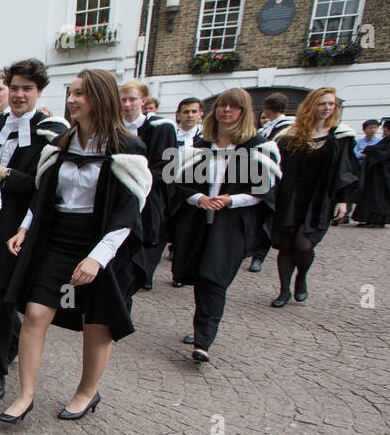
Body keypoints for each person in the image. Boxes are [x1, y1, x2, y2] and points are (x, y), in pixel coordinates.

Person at [0, 69, 149, 423]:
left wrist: (96, 259)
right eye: (71, 93)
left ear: (100, 98)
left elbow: (129, 214)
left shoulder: (127, 149)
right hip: (56, 238)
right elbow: (44, 196)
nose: (71, 99)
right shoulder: (62, 144)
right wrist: (24, 229)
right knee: (36, 313)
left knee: (96, 322)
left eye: (80, 93)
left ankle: (86, 391)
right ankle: (25, 395)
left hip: (102, 242)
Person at [0, 58, 68, 404]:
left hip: (19, 223)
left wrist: (3, 174)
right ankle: (4, 348)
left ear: (39, 92)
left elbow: (43, 186)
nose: (18, 95)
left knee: (4, 298)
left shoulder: (51, 131)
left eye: (26, 89)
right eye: (14, 87)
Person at [171, 89, 280, 362]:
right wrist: (199, 198)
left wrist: (229, 200)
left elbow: (263, 191)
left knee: (215, 279)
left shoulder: (256, 148)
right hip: (198, 221)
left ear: (244, 112)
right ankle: (200, 330)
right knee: (199, 276)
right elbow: (180, 184)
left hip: (232, 223)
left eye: (234, 107)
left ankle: (204, 341)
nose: (226, 111)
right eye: (221, 106)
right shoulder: (201, 145)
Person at [267, 87, 356, 307]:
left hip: (319, 198)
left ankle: (302, 278)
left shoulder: (340, 136)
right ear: (311, 106)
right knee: (287, 245)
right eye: (322, 103)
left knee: (304, 244)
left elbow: (347, 170)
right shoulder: (290, 135)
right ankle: (284, 290)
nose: (326, 108)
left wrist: (343, 200)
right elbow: (276, 166)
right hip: (290, 196)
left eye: (331, 104)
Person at [120, 80, 177, 291]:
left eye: (132, 99)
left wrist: (134, 178)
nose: (127, 104)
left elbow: (168, 170)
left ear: (143, 101)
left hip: (145, 200)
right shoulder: (113, 127)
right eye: (123, 99)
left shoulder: (160, 129)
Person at [249, 93, 293, 270]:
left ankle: (259, 254)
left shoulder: (288, 129)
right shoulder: (266, 129)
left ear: (267, 108)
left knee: (267, 216)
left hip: (276, 180)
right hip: (262, 177)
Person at [351, 117, 390, 227]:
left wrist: (367, 151)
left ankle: (373, 220)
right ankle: (380, 220)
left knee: (377, 198)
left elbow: (381, 152)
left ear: (386, 128)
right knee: (387, 198)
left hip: (383, 177)